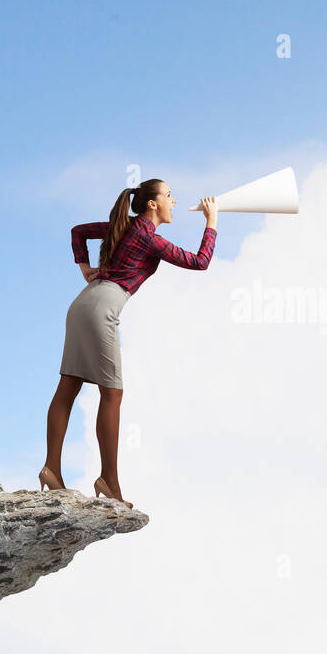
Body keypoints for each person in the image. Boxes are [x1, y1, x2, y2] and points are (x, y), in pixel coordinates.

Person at [40, 179, 218, 507]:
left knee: (68, 386)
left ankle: (51, 469)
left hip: (82, 303)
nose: (174, 200)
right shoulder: (150, 239)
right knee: (113, 394)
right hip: (104, 306)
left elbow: (77, 231)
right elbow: (199, 261)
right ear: (152, 204)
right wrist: (211, 222)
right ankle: (108, 481)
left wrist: (84, 268)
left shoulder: (121, 226)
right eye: (168, 196)